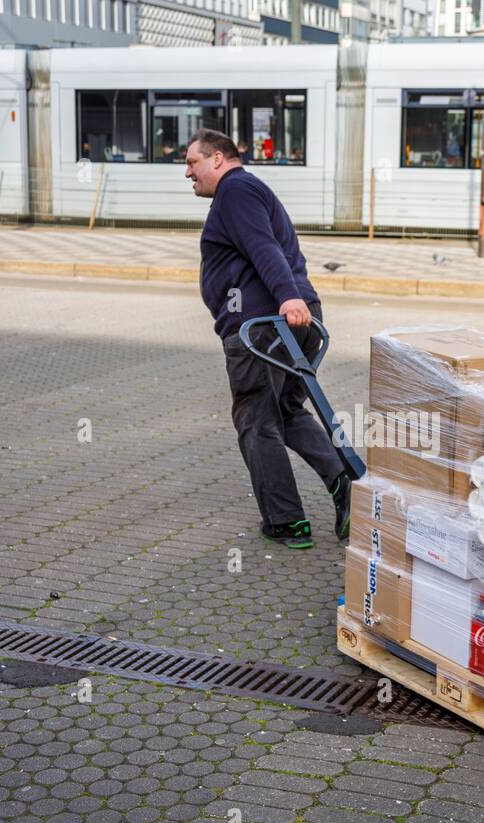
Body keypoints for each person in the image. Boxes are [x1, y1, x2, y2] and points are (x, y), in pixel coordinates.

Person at [184, 128, 352, 549]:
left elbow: (263, 247)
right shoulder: (248, 190)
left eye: (192, 163)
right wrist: (296, 302)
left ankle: (285, 521)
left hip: (262, 328)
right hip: (290, 319)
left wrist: (287, 297)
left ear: (218, 158)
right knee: (287, 410)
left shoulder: (235, 191)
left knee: (256, 421)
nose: (188, 173)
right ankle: (344, 485)